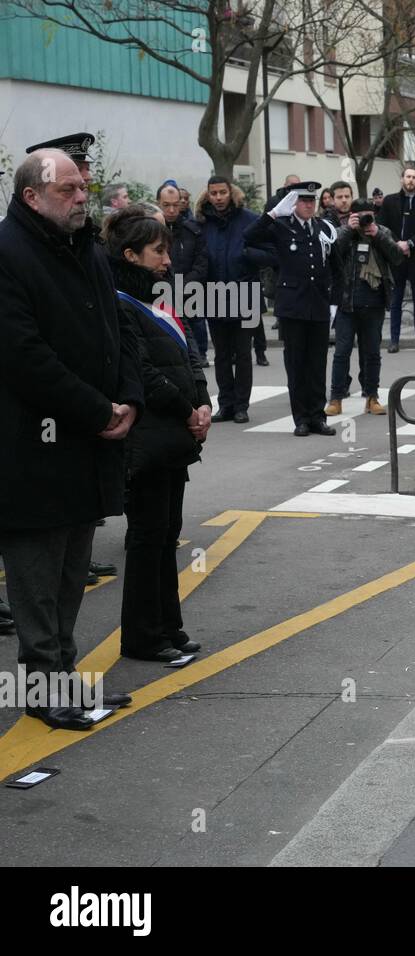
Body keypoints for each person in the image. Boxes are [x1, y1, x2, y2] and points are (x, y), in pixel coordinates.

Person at [0, 149, 141, 729]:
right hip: (32, 446)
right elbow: (22, 354)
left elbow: (119, 324)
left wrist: (129, 395)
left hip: (87, 440)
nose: (83, 197)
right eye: (69, 190)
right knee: (36, 576)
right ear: (32, 196)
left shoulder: (84, 248)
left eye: (84, 188)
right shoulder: (8, 251)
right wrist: (94, 408)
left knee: (70, 573)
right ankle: (41, 687)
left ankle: (65, 678)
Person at [103, 206, 211, 663]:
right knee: (147, 539)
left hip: (173, 442)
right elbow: (143, 373)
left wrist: (204, 403)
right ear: (130, 255)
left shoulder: (156, 304)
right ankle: (143, 637)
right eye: (158, 252)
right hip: (148, 442)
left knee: (168, 535)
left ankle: (169, 626)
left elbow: (190, 358)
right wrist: (188, 409)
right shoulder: (119, 305)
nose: (167, 260)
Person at [246, 181, 339, 436]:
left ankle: (317, 416)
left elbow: (335, 267)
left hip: (318, 305)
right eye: (303, 200)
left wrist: (335, 303)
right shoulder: (280, 227)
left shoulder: (323, 228)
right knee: (296, 364)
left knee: (317, 364)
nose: (309, 205)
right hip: (292, 307)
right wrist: (274, 213)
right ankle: (301, 418)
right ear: (293, 203)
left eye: (312, 200)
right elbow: (249, 236)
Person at [196, 175, 273, 423]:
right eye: (213, 193)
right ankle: (225, 404)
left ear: (231, 193)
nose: (218, 198)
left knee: (242, 353)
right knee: (220, 354)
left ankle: (241, 405)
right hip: (213, 294)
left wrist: (247, 254)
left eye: (222, 192)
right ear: (207, 195)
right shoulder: (200, 222)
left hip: (245, 294)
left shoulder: (249, 219)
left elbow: (271, 254)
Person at [328, 194, 404, 416]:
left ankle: (372, 396)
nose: (364, 221)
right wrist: (347, 231)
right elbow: (332, 256)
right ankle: (336, 398)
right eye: (358, 216)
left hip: (374, 303)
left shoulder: (381, 232)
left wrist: (379, 236)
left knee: (372, 353)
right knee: (341, 352)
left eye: (367, 216)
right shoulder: (345, 233)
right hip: (346, 303)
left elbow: (398, 258)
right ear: (352, 216)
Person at [379, 167, 415, 353]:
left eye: (414, 177)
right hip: (395, 257)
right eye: (408, 177)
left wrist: (410, 243)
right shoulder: (389, 201)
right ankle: (394, 340)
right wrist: (397, 244)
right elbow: (382, 226)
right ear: (402, 179)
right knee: (396, 301)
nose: (410, 180)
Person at [158, 182, 211, 366]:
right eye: (166, 205)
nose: (172, 210)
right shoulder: (151, 231)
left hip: (190, 288)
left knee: (196, 324)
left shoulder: (193, 230)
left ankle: (201, 355)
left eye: (175, 204)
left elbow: (201, 262)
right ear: (158, 203)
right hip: (161, 290)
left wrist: (185, 285)